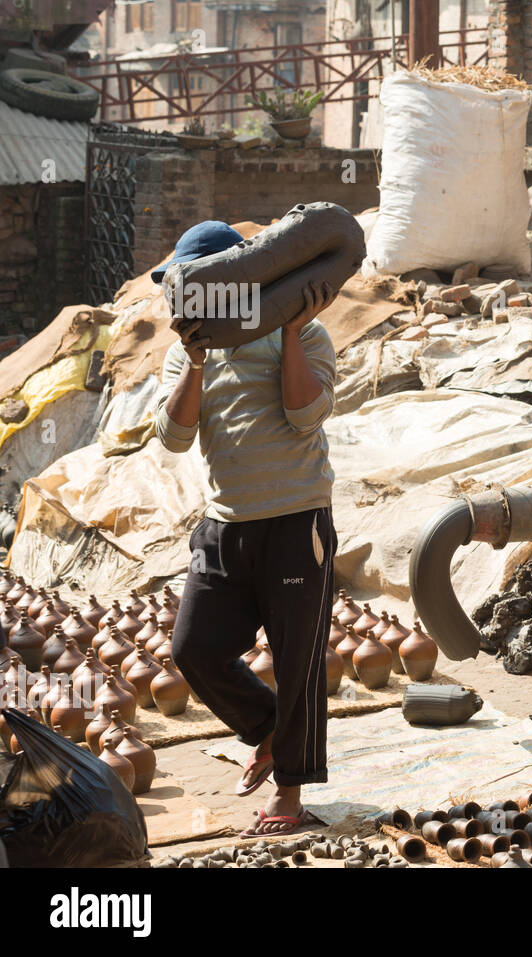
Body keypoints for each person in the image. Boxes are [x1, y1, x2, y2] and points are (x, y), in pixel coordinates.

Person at [150, 220, 339, 838]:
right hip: (224, 524)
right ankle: (266, 733)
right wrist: (196, 364)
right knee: (192, 650)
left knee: (296, 661)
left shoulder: (308, 332)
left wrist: (286, 332)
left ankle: (290, 793)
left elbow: (305, 415)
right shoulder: (187, 353)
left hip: (294, 522)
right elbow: (174, 439)